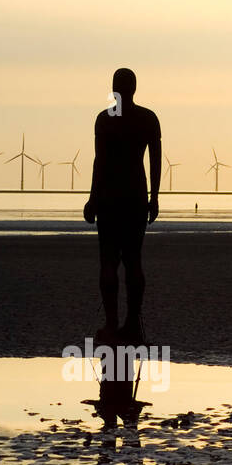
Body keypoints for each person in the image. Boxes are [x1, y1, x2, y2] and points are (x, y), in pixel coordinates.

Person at [83, 68, 161, 346]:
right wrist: (155, 196)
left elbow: (99, 161)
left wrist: (93, 198)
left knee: (108, 261)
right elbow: (155, 160)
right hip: (136, 196)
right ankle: (132, 324)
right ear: (135, 88)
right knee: (133, 261)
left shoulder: (104, 120)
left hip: (108, 197)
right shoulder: (148, 118)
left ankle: (112, 323)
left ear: (114, 88)